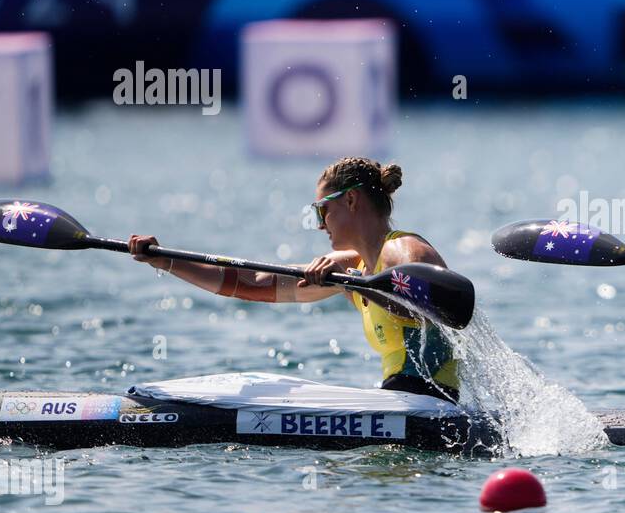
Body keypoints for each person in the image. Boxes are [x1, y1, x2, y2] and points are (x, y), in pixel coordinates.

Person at [128, 157, 460, 402]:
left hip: (431, 406)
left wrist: (355, 282)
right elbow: (253, 282)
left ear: (351, 200)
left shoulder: (404, 249)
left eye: (321, 211)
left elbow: (435, 310)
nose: (319, 225)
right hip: (402, 401)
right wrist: (165, 260)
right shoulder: (355, 264)